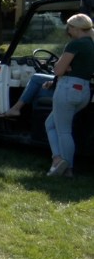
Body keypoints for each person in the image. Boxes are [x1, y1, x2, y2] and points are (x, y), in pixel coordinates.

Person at [41, 14, 94, 177]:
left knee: (64, 131)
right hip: (84, 90)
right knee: (50, 124)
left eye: (70, 27)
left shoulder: (75, 44)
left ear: (77, 28)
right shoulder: (91, 44)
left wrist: (64, 67)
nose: (68, 30)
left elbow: (57, 70)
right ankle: (57, 159)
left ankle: (67, 168)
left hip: (67, 89)